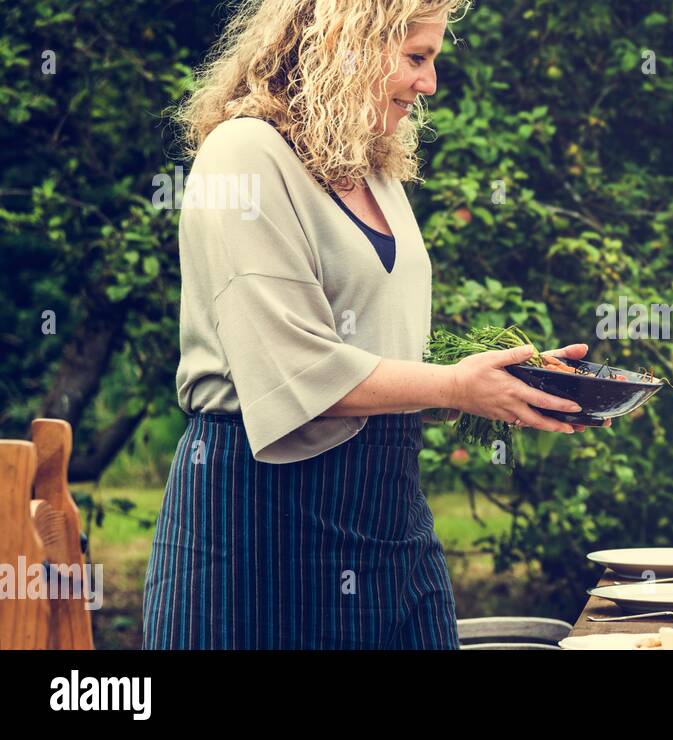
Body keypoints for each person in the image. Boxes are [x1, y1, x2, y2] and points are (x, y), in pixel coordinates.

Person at [143, 0, 598, 649]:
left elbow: (382, 352)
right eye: (417, 57)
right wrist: (453, 386)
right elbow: (293, 371)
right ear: (345, 45)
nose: (429, 84)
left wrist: (498, 382)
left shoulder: (376, 172)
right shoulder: (243, 156)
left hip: (386, 508)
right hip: (258, 523)